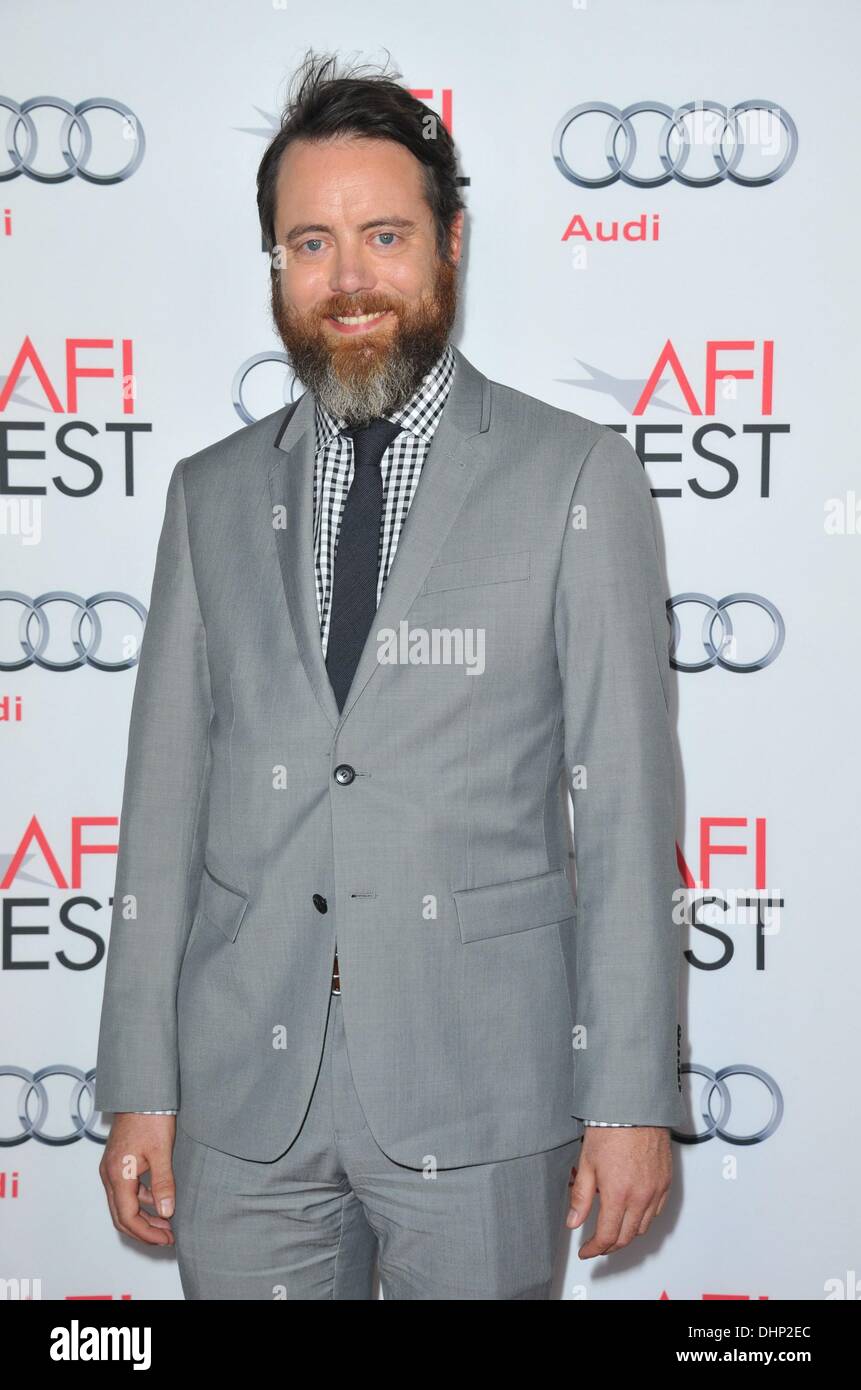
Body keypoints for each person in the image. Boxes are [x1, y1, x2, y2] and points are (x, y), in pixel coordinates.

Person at [95, 49, 684, 1301]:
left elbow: (628, 803)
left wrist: (630, 1093)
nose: (349, 278)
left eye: (383, 235)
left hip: (480, 1086)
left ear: (450, 244)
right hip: (242, 1095)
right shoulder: (208, 493)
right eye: (310, 244)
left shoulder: (574, 474)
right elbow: (160, 811)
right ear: (274, 265)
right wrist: (142, 1082)